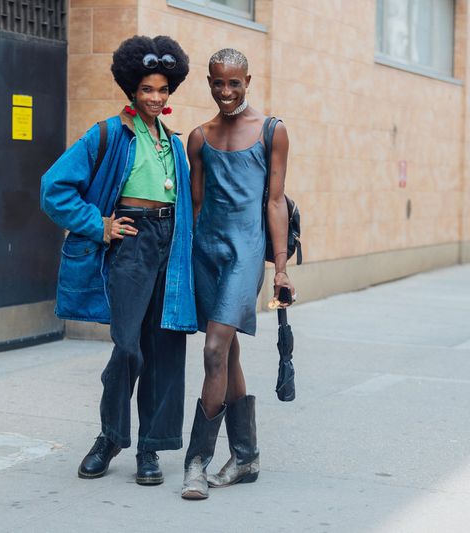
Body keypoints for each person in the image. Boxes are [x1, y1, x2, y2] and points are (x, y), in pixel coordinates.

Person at [40, 35, 195, 486]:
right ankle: (110, 436)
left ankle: (151, 448)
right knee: (128, 346)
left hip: (172, 244)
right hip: (131, 240)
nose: (156, 97)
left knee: (165, 347)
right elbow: (55, 188)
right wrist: (100, 224)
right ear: (132, 89)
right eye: (147, 89)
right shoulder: (107, 133)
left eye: (163, 89)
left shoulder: (174, 142)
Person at [181, 48, 295, 500]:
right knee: (226, 358)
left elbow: (275, 200)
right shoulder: (199, 137)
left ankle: (196, 463)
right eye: (216, 83)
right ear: (208, 81)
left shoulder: (272, 131)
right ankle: (246, 456)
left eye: (234, 83)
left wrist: (280, 268)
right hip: (205, 253)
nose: (225, 92)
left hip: (244, 254)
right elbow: (194, 204)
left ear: (248, 80)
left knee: (213, 349)